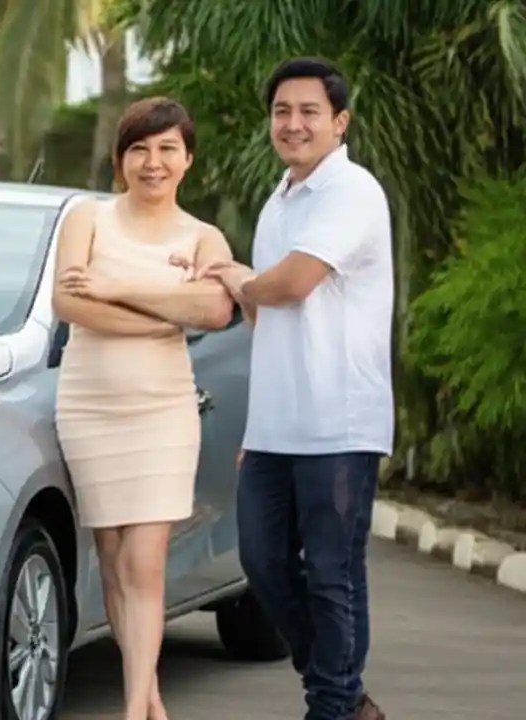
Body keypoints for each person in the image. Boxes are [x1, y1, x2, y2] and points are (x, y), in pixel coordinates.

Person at [199, 57, 393, 720]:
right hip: (276, 428)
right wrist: (257, 429)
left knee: (334, 575)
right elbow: (266, 319)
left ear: (340, 122)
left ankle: (334, 705)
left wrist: (239, 279)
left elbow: (292, 284)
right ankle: (345, 696)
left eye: (310, 111)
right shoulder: (278, 201)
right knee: (263, 564)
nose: (293, 123)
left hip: (340, 422)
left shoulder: (353, 191)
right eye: (282, 112)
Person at [52, 96, 236, 720]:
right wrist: (164, 310)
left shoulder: (203, 236)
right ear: (120, 159)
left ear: (187, 160)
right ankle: (150, 695)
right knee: (111, 554)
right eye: (139, 148)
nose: (152, 162)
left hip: (163, 411)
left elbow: (214, 311)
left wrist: (117, 288)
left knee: (144, 556)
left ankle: (133, 707)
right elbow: (70, 305)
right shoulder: (88, 217)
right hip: (89, 406)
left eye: (166, 149)